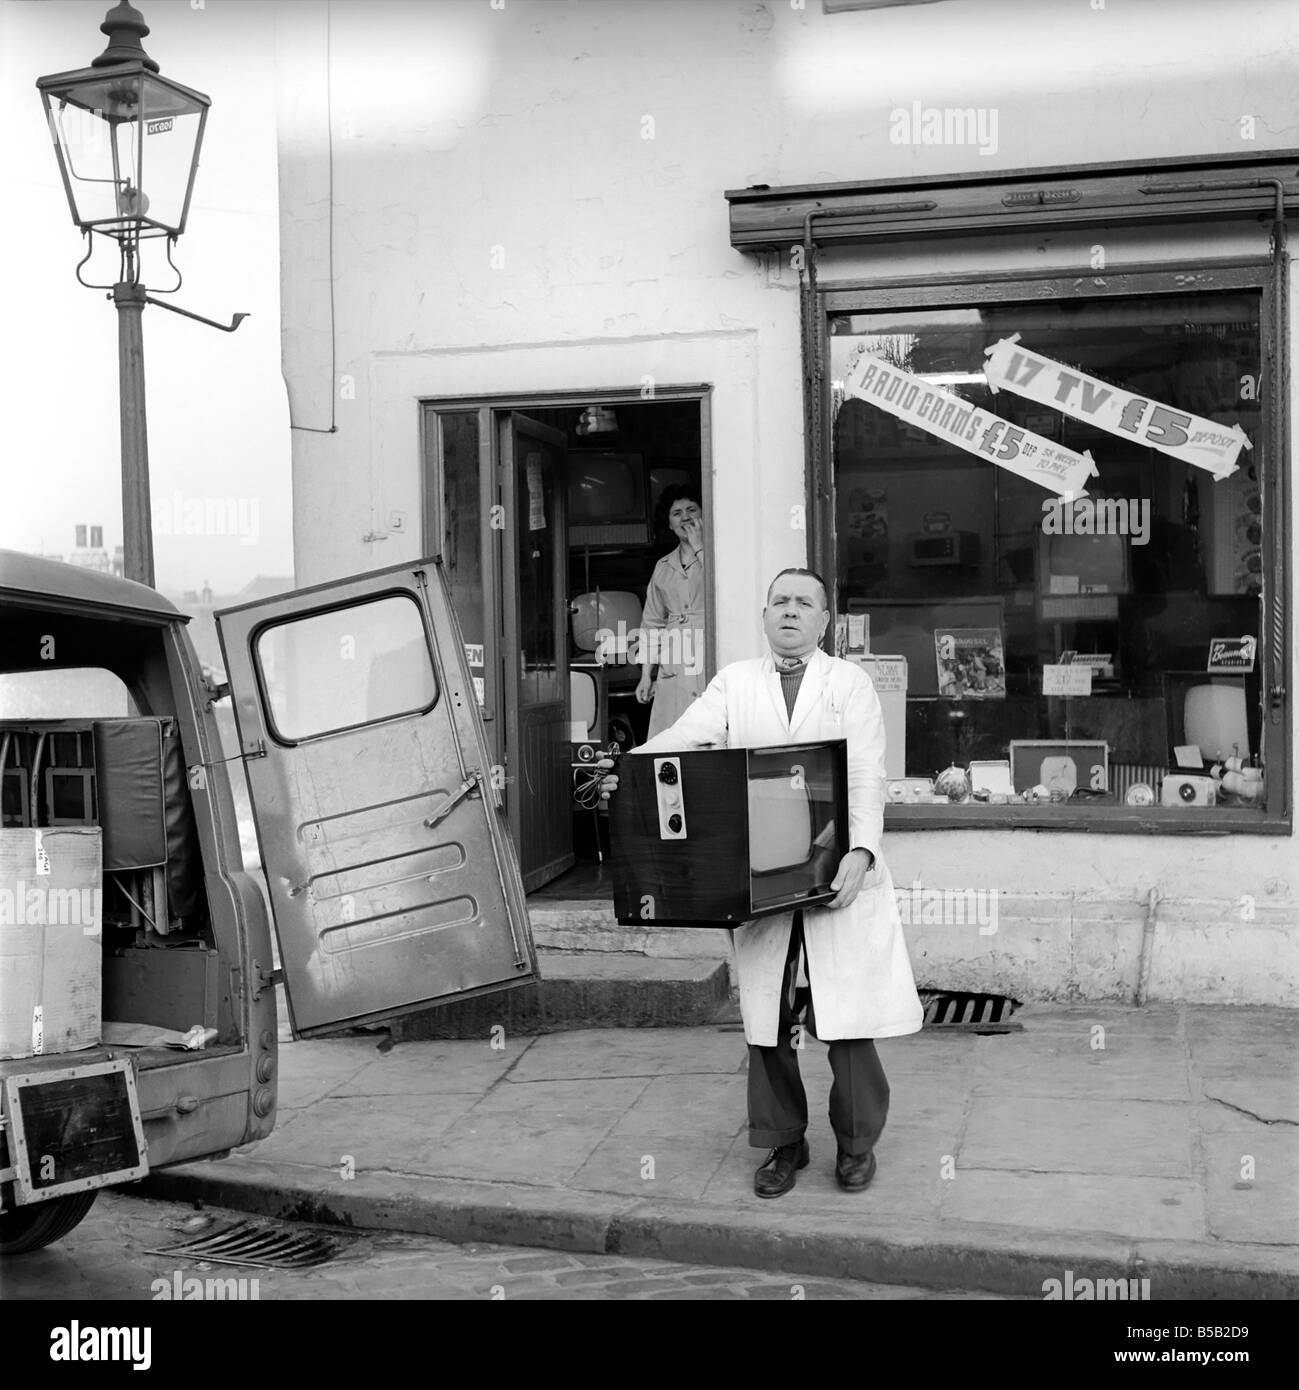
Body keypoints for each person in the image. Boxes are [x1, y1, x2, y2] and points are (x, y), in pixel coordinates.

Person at [602, 568, 923, 1198]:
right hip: (759, 877)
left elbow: (865, 774)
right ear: (765, 613)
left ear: (825, 621)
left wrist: (860, 852)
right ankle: (784, 1143)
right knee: (768, 1018)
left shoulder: (849, 685)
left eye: (805, 603)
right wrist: (628, 771)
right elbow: (683, 740)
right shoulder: (735, 683)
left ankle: (857, 1145)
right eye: (779, 601)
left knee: (846, 1013)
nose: (790, 612)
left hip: (835, 869)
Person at [636, 489, 707, 740]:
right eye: (677, 513)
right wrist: (646, 675)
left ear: (703, 514)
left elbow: (726, 588)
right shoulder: (663, 566)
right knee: (672, 738)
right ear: (669, 524)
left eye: (691, 510)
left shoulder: (718, 555)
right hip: (674, 659)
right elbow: (652, 623)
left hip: (707, 652)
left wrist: (700, 547)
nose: (685, 518)